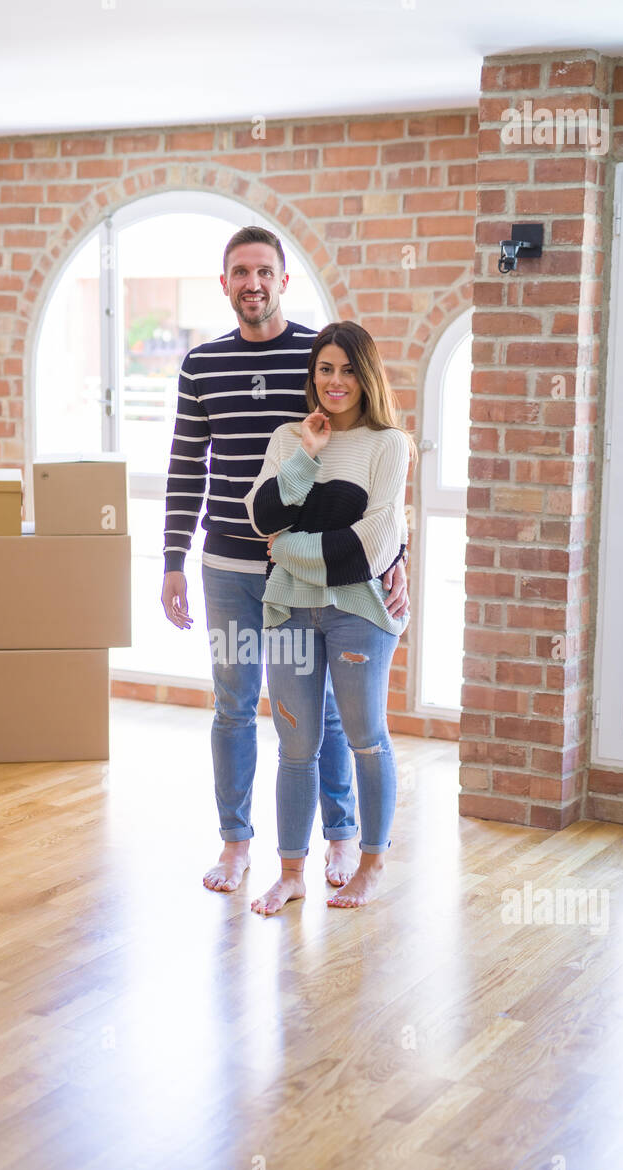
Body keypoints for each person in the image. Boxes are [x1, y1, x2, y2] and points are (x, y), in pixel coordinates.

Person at [160, 227, 408, 893]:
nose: (252, 283)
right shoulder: (200, 365)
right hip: (228, 569)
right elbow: (186, 467)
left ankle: (339, 838)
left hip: (305, 574)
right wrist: (172, 559)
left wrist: (396, 555)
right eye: (239, 272)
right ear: (224, 283)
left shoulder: (318, 353)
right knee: (233, 705)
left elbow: (371, 469)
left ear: (283, 280)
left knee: (323, 712)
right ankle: (236, 845)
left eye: (264, 271)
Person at [245, 321, 415, 914]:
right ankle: (290, 872)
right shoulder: (290, 436)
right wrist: (307, 455)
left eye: (347, 369)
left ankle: (370, 863)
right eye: (325, 368)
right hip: (288, 611)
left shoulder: (388, 444)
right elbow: (263, 517)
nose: (335, 381)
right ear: (313, 374)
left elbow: (372, 544)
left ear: (365, 375)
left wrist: (291, 553)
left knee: (367, 738)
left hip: (358, 615)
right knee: (295, 746)